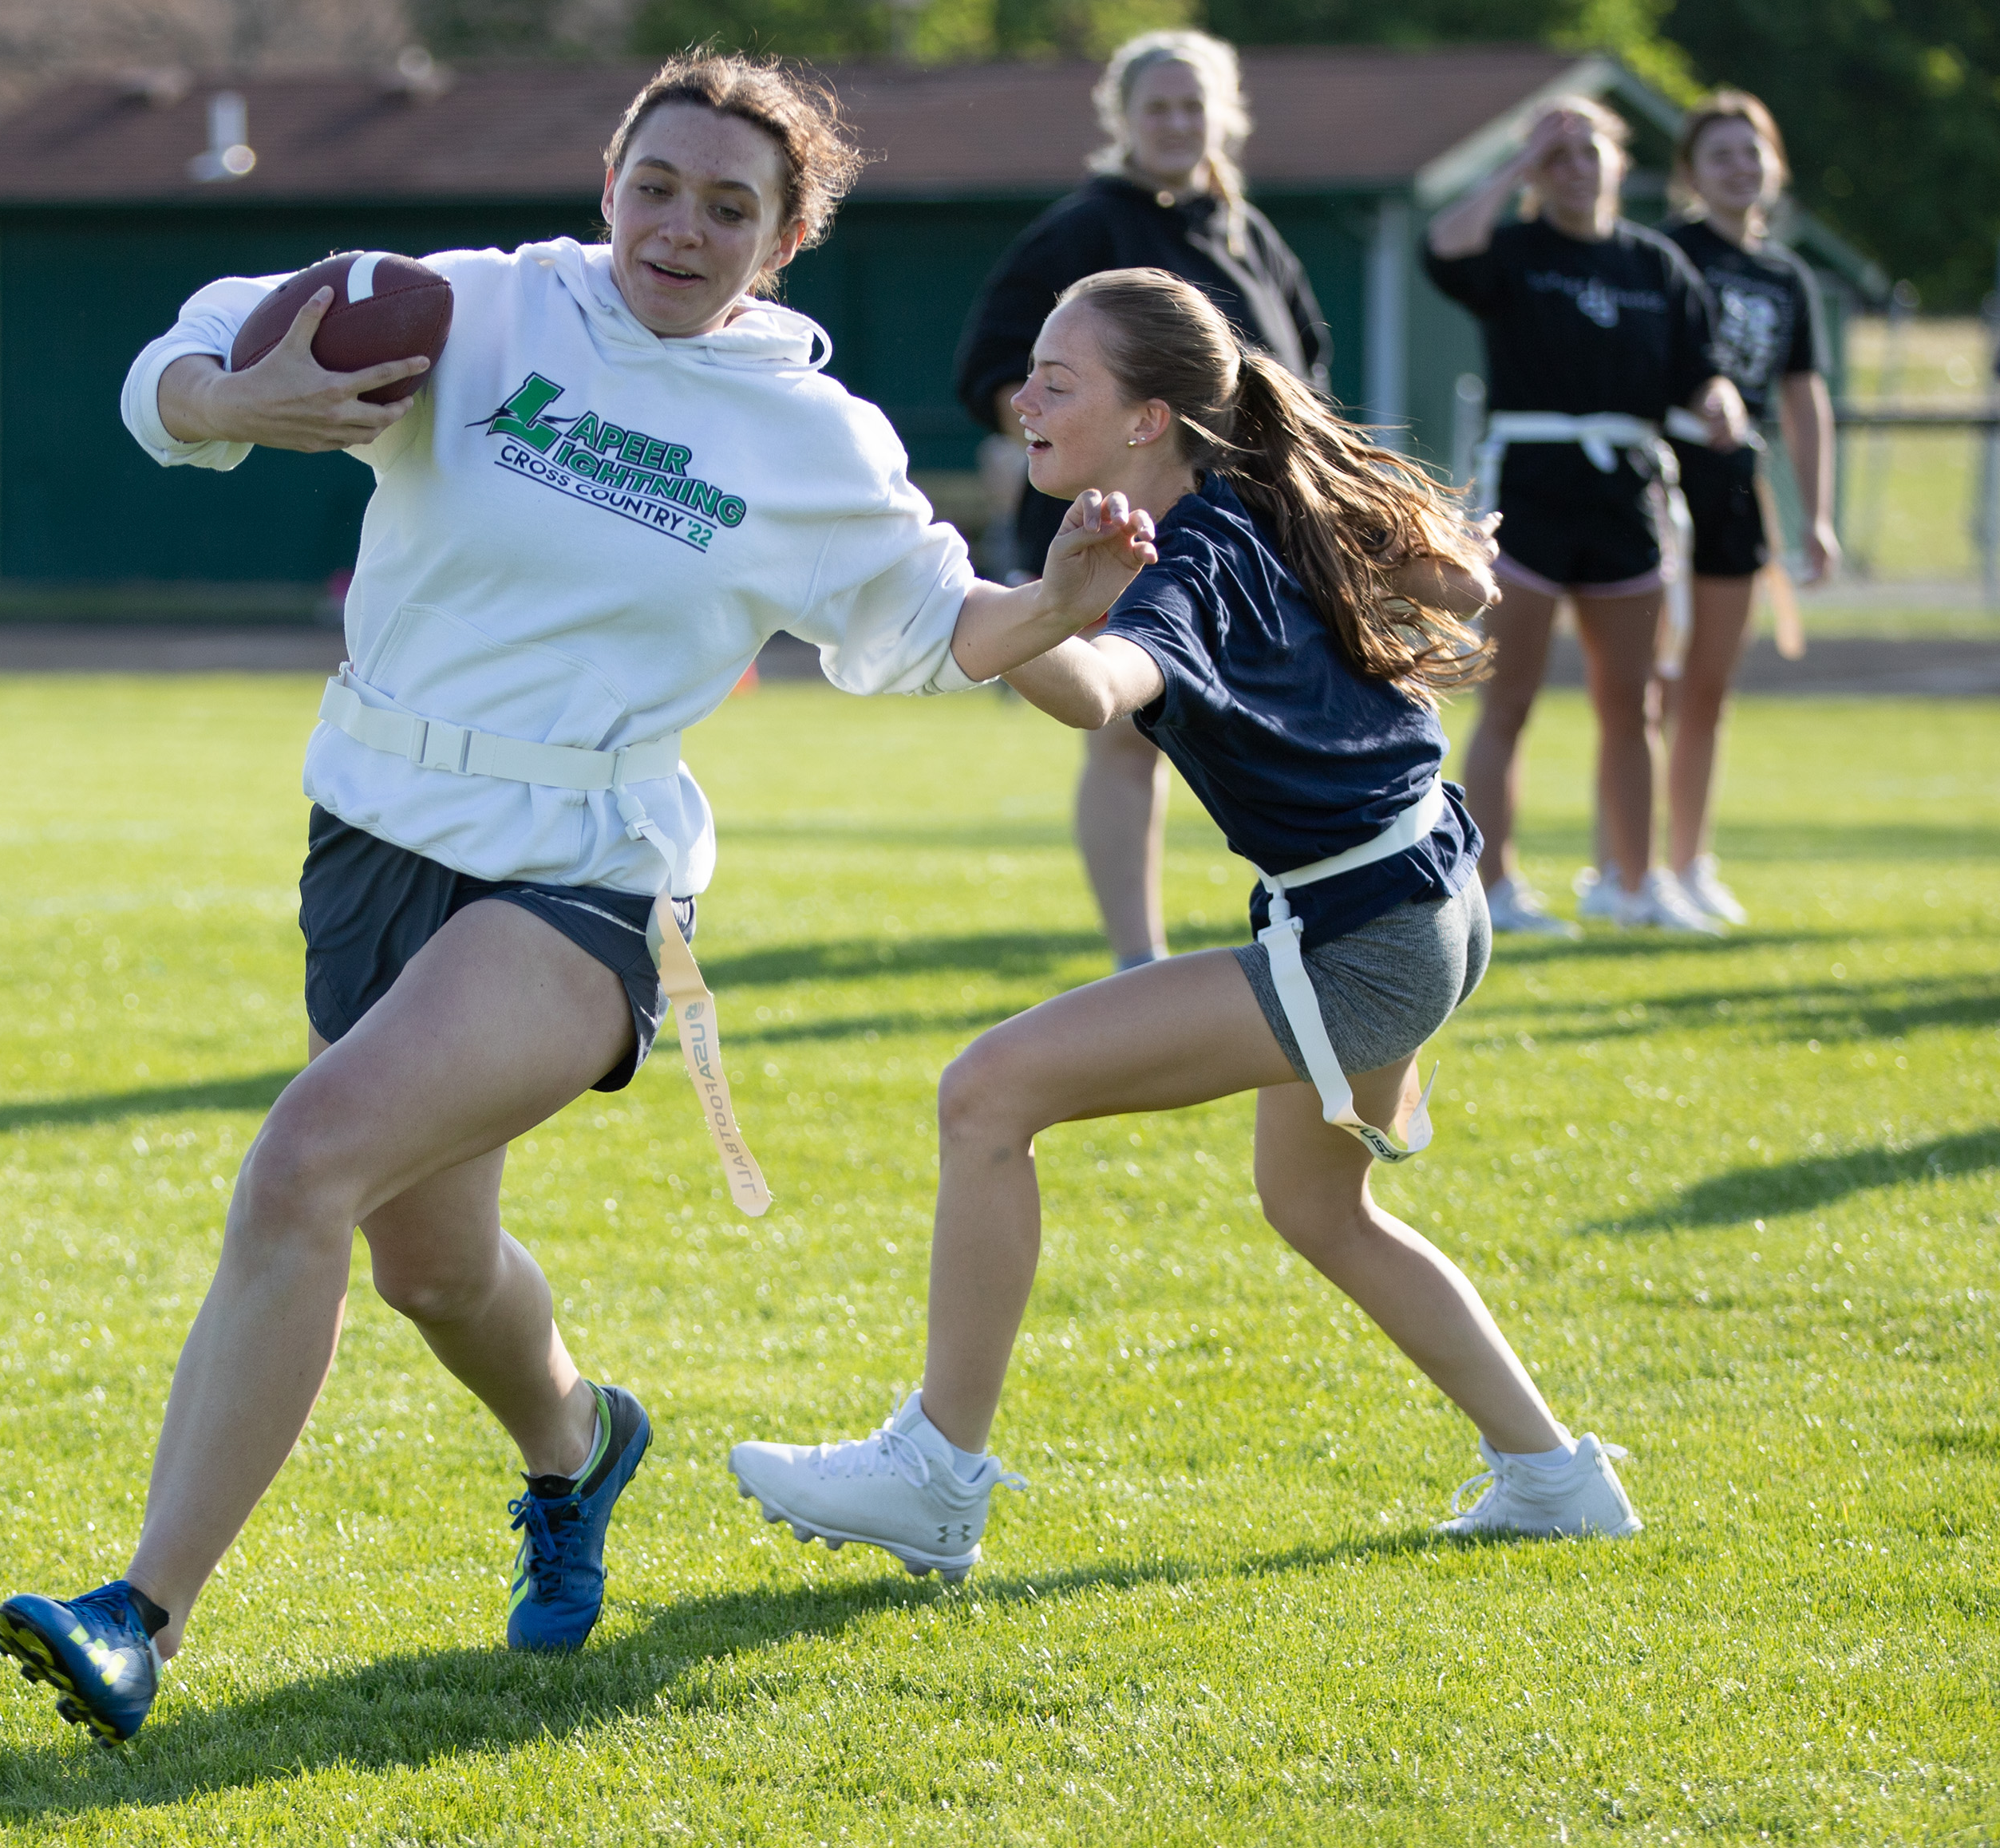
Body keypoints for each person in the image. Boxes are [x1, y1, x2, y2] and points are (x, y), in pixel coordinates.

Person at [0, 51, 1161, 1747]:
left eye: (729, 207)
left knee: (305, 1162)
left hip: (585, 879)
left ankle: (138, 1615)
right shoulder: (471, 310)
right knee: (429, 1264)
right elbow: (184, 352)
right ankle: (579, 1443)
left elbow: (931, 625)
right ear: (610, 185)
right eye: (656, 187)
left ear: (785, 240)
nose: (681, 227)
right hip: (373, 836)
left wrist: (1054, 598)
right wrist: (223, 404)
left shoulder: (807, 436)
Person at [730, 269, 1642, 1578]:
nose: (1025, 398)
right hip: (1426, 897)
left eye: (1060, 381)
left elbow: (1099, 691)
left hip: (1370, 935)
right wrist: (1037, 599)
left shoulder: (1195, 554)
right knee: (1317, 1210)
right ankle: (1555, 1478)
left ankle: (933, 1475)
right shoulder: (1258, 493)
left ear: (1148, 420)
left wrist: (1032, 605)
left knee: (987, 1094)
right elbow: (1457, 582)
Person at [955, 30, 1331, 973]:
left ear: (1223, 117)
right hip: (1134, 529)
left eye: (1191, 105)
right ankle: (1139, 957)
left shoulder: (1247, 233)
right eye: (1155, 106)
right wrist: (1086, 467)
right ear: (1120, 119)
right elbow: (997, 376)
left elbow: (1304, 380)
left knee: (1288, 719)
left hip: (1259, 528)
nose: (1174, 122)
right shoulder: (1083, 232)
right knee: (1128, 734)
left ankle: (1328, 920)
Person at [1424, 97, 1745, 937]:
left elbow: (1699, 369)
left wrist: (1717, 400)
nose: (1574, 170)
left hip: (1624, 502)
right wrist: (1514, 164)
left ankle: (1635, 887)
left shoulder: (1656, 264)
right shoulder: (1514, 251)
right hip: (1530, 495)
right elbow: (1443, 247)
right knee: (1509, 700)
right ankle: (1493, 888)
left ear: (1618, 163)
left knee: (1631, 705)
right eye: (1556, 157)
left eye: (1588, 152)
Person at [1630, 90, 1838, 926]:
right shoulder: (1664, 253)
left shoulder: (1786, 276)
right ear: (1689, 171)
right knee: (1648, 686)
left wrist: (1816, 515)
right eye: (1719, 154)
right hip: (1659, 479)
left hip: (1734, 487)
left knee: (1708, 688)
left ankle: (1690, 862)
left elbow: (1802, 397)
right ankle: (1631, 869)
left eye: (1751, 152)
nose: (1738, 168)